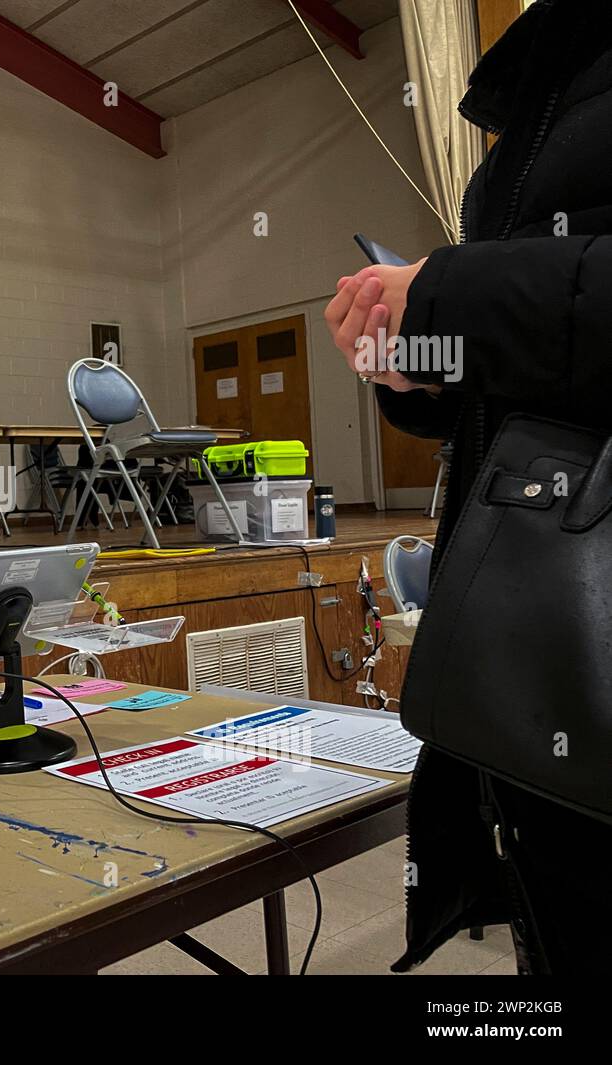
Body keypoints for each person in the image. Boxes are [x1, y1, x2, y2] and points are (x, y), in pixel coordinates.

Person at [325, 0, 612, 973]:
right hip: (541, 631)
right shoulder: (538, 79)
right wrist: (425, 364)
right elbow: (542, 367)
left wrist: (453, 295)